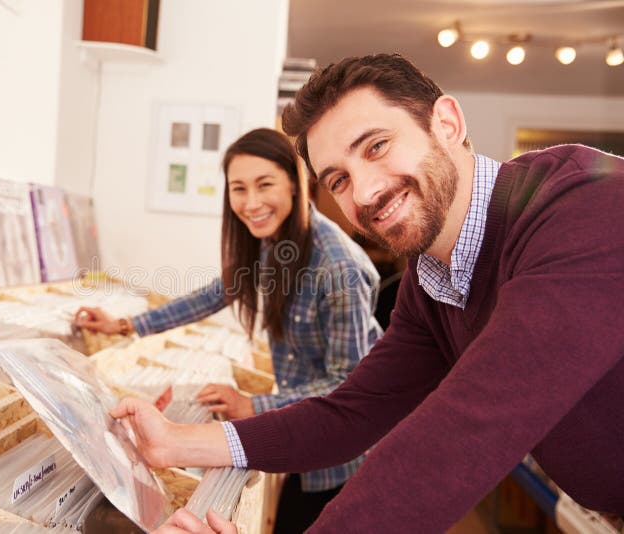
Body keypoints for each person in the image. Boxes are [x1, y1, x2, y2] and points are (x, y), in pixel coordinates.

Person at [111, 53, 624, 533]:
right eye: (338, 179)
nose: (364, 192)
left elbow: (461, 437)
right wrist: (177, 440)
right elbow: (350, 412)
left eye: (376, 147)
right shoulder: (432, 279)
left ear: (446, 124)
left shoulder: (585, 208)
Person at [74, 127, 383, 531]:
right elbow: (216, 294)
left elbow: (350, 388)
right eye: (239, 188)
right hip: (306, 438)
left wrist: (250, 406)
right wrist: (126, 324)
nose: (251, 203)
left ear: (295, 182)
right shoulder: (273, 240)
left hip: (348, 460)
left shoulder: (337, 267)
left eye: (264, 184)